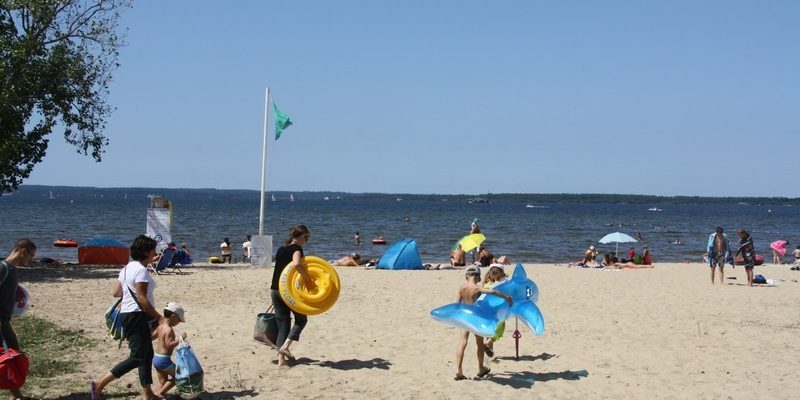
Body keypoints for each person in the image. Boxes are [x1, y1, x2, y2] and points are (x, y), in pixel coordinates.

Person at [92, 235, 164, 400]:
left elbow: (116, 292)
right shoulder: (141, 270)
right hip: (137, 315)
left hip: (129, 314)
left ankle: (148, 393)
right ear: (145, 252)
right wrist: (159, 317)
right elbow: (142, 299)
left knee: (146, 354)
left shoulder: (127, 268)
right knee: (137, 356)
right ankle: (100, 383)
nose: (155, 252)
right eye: (153, 250)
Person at [454, 266, 512, 381]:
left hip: (464, 317)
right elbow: (493, 291)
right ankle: (481, 368)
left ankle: (458, 370)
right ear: (476, 276)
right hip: (476, 319)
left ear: (467, 276)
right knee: (480, 344)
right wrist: (506, 297)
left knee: (462, 343)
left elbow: (457, 305)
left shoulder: (462, 288)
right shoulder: (477, 288)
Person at [271, 225, 315, 367]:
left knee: (283, 324)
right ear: (301, 236)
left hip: (275, 290)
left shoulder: (281, 249)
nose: (306, 241)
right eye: (306, 238)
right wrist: (307, 279)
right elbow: (296, 264)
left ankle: (281, 361)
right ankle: (285, 347)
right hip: (287, 292)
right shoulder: (297, 249)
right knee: (301, 320)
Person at [1, 239, 36, 400]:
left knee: (13, 354)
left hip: (5, 322)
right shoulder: (3, 268)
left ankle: (16, 394)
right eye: (31, 255)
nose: (30, 260)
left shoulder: (13, 270)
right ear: (23, 251)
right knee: (8, 355)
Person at [153, 302, 187, 397]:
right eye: (179, 320)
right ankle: (161, 393)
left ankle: (156, 396)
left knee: (163, 382)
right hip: (164, 360)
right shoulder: (169, 330)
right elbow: (169, 346)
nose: (178, 322)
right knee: (180, 375)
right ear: (173, 316)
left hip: (156, 358)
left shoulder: (160, 326)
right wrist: (180, 339)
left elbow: (153, 336)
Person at [482, 264, 509, 358]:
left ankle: (490, 352)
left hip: (486, 308)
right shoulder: (503, 284)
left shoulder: (487, 283)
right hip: (499, 309)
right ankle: (486, 344)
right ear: (501, 273)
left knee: (489, 329)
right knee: (499, 328)